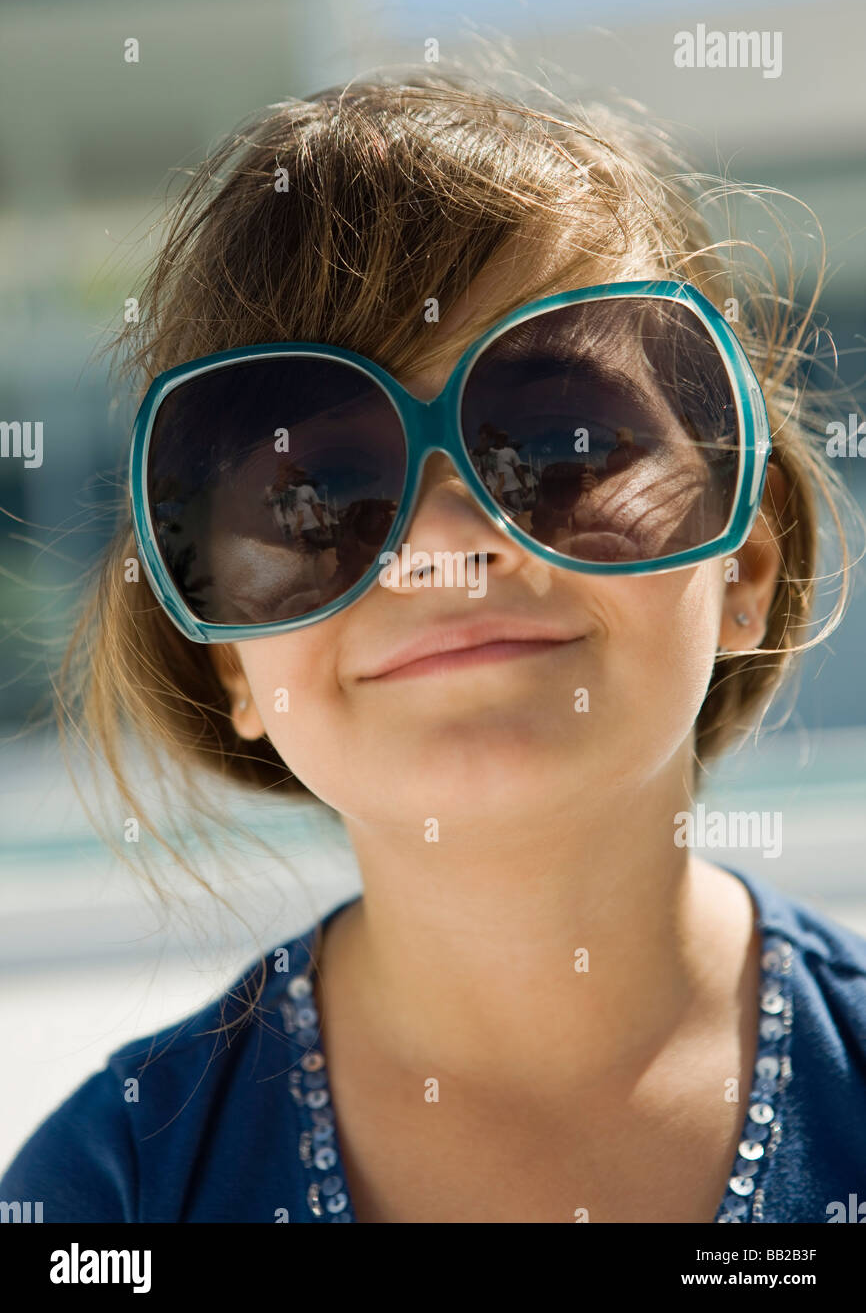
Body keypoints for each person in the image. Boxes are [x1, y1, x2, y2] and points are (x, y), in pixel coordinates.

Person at [2, 68, 865, 1225]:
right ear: (232, 665)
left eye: (561, 447)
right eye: (317, 494)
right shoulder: (105, 1200)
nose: (444, 545)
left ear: (740, 566)